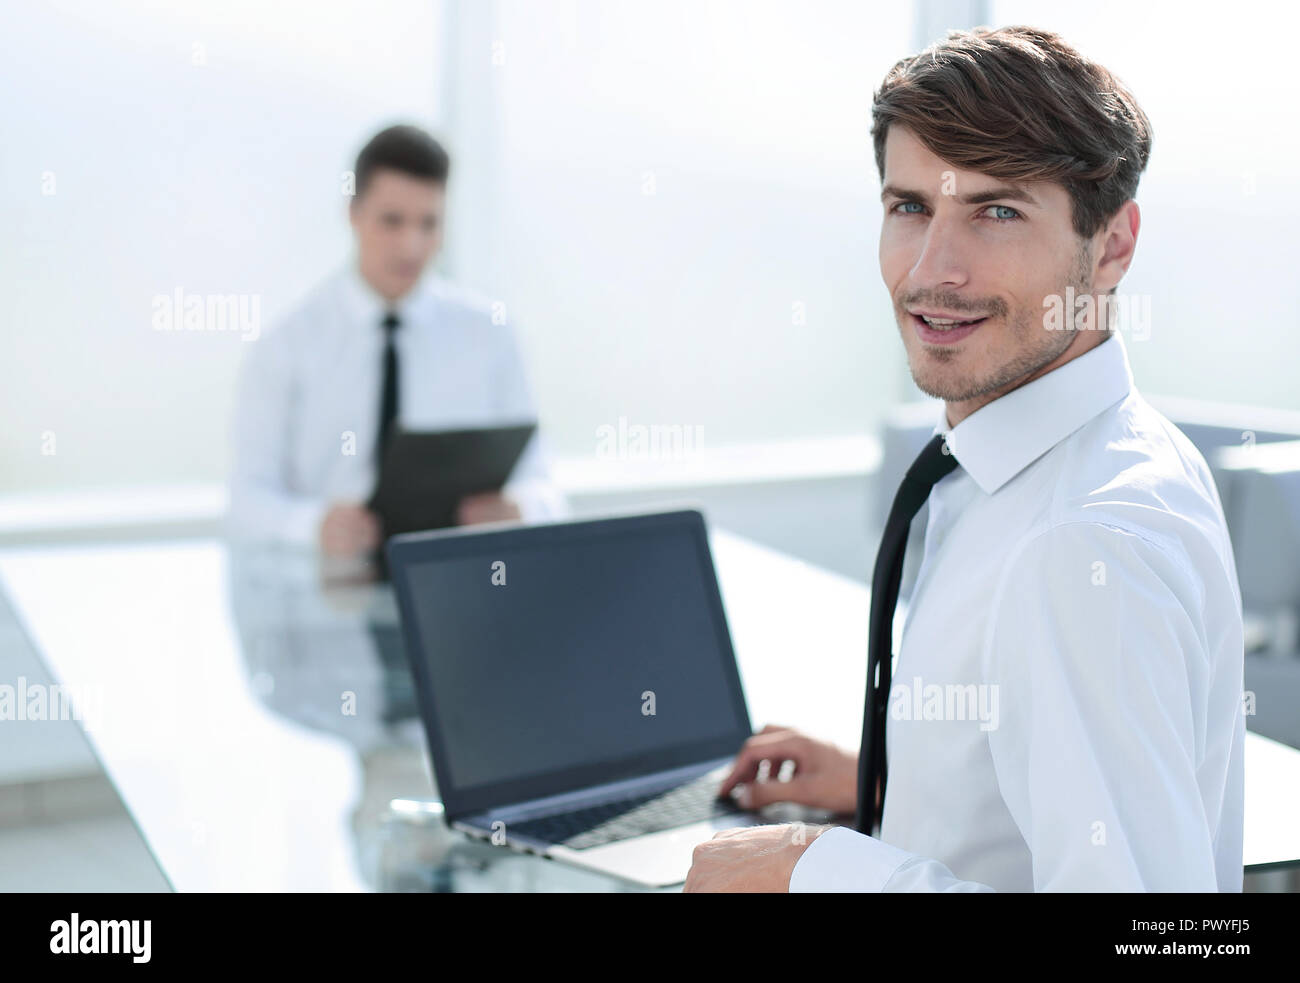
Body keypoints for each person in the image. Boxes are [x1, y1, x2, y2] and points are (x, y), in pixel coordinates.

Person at [685, 26, 1244, 892]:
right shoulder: (1075, 456)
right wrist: (893, 781)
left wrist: (812, 870)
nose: (932, 269)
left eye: (997, 211)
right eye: (910, 207)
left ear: (1113, 247)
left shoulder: (1083, 544)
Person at [228, 125, 564, 555]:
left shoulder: (490, 334)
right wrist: (314, 525)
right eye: (392, 221)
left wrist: (520, 508)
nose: (412, 245)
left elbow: (544, 482)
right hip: (332, 592)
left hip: (456, 578)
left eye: (429, 223)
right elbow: (247, 501)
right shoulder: (287, 345)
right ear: (353, 212)